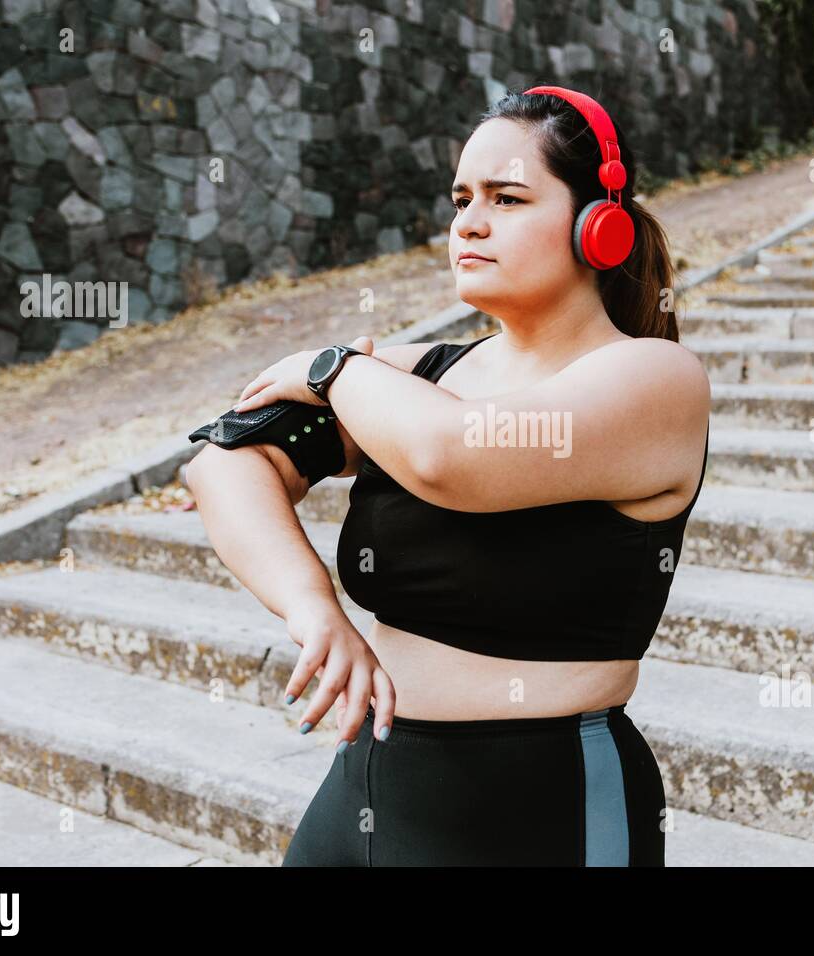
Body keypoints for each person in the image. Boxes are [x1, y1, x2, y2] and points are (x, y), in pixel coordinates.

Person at [186, 86, 710, 866]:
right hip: (371, 778)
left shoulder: (656, 380)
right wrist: (314, 611)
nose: (468, 220)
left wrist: (331, 367)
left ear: (598, 227)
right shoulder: (416, 374)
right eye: (461, 197)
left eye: (507, 197)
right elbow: (222, 458)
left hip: (539, 803)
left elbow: (454, 457)